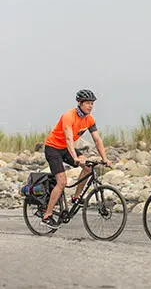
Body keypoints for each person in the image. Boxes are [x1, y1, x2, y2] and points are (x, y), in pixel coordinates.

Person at [41, 89, 112, 229]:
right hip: (53, 148)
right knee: (62, 182)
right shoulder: (68, 116)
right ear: (79, 103)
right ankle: (47, 215)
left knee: (88, 167)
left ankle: (76, 197)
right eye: (87, 103)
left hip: (66, 148)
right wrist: (75, 158)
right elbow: (68, 139)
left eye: (92, 103)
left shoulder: (89, 119)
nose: (90, 106)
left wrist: (105, 158)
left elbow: (97, 139)